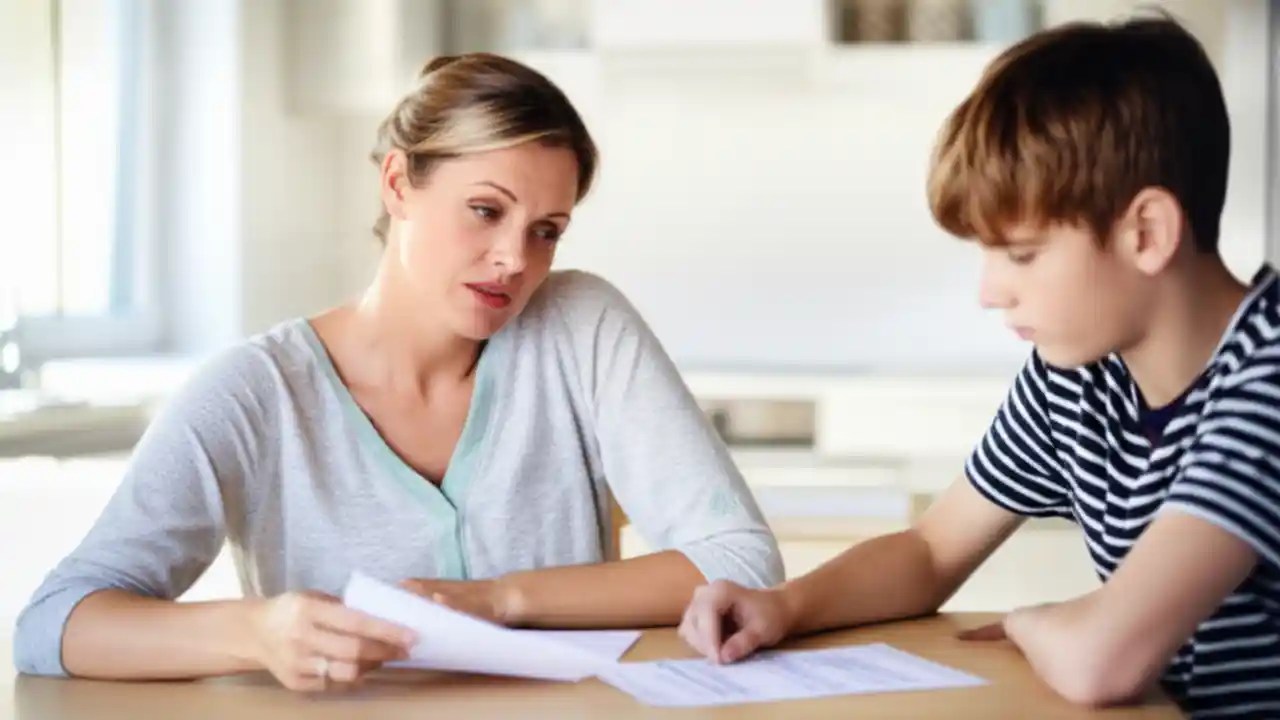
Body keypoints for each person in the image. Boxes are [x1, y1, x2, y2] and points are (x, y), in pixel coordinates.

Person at [15, 53, 782, 691]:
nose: (515, 259)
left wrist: (499, 599)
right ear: (397, 184)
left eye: (546, 231)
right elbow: (53, 624)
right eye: (486, 210)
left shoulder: (579, 327)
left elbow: (740, 560)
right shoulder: (256, 394)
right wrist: (257, 632)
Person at [677, 17, 1279, 717]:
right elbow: (931, 551)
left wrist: (1031, 622)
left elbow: (1100, 661)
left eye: (1022, 254)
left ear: (1145, 233)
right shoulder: (1078, 375)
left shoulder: (1266, 374)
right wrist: (784, 605)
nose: (990, 293)